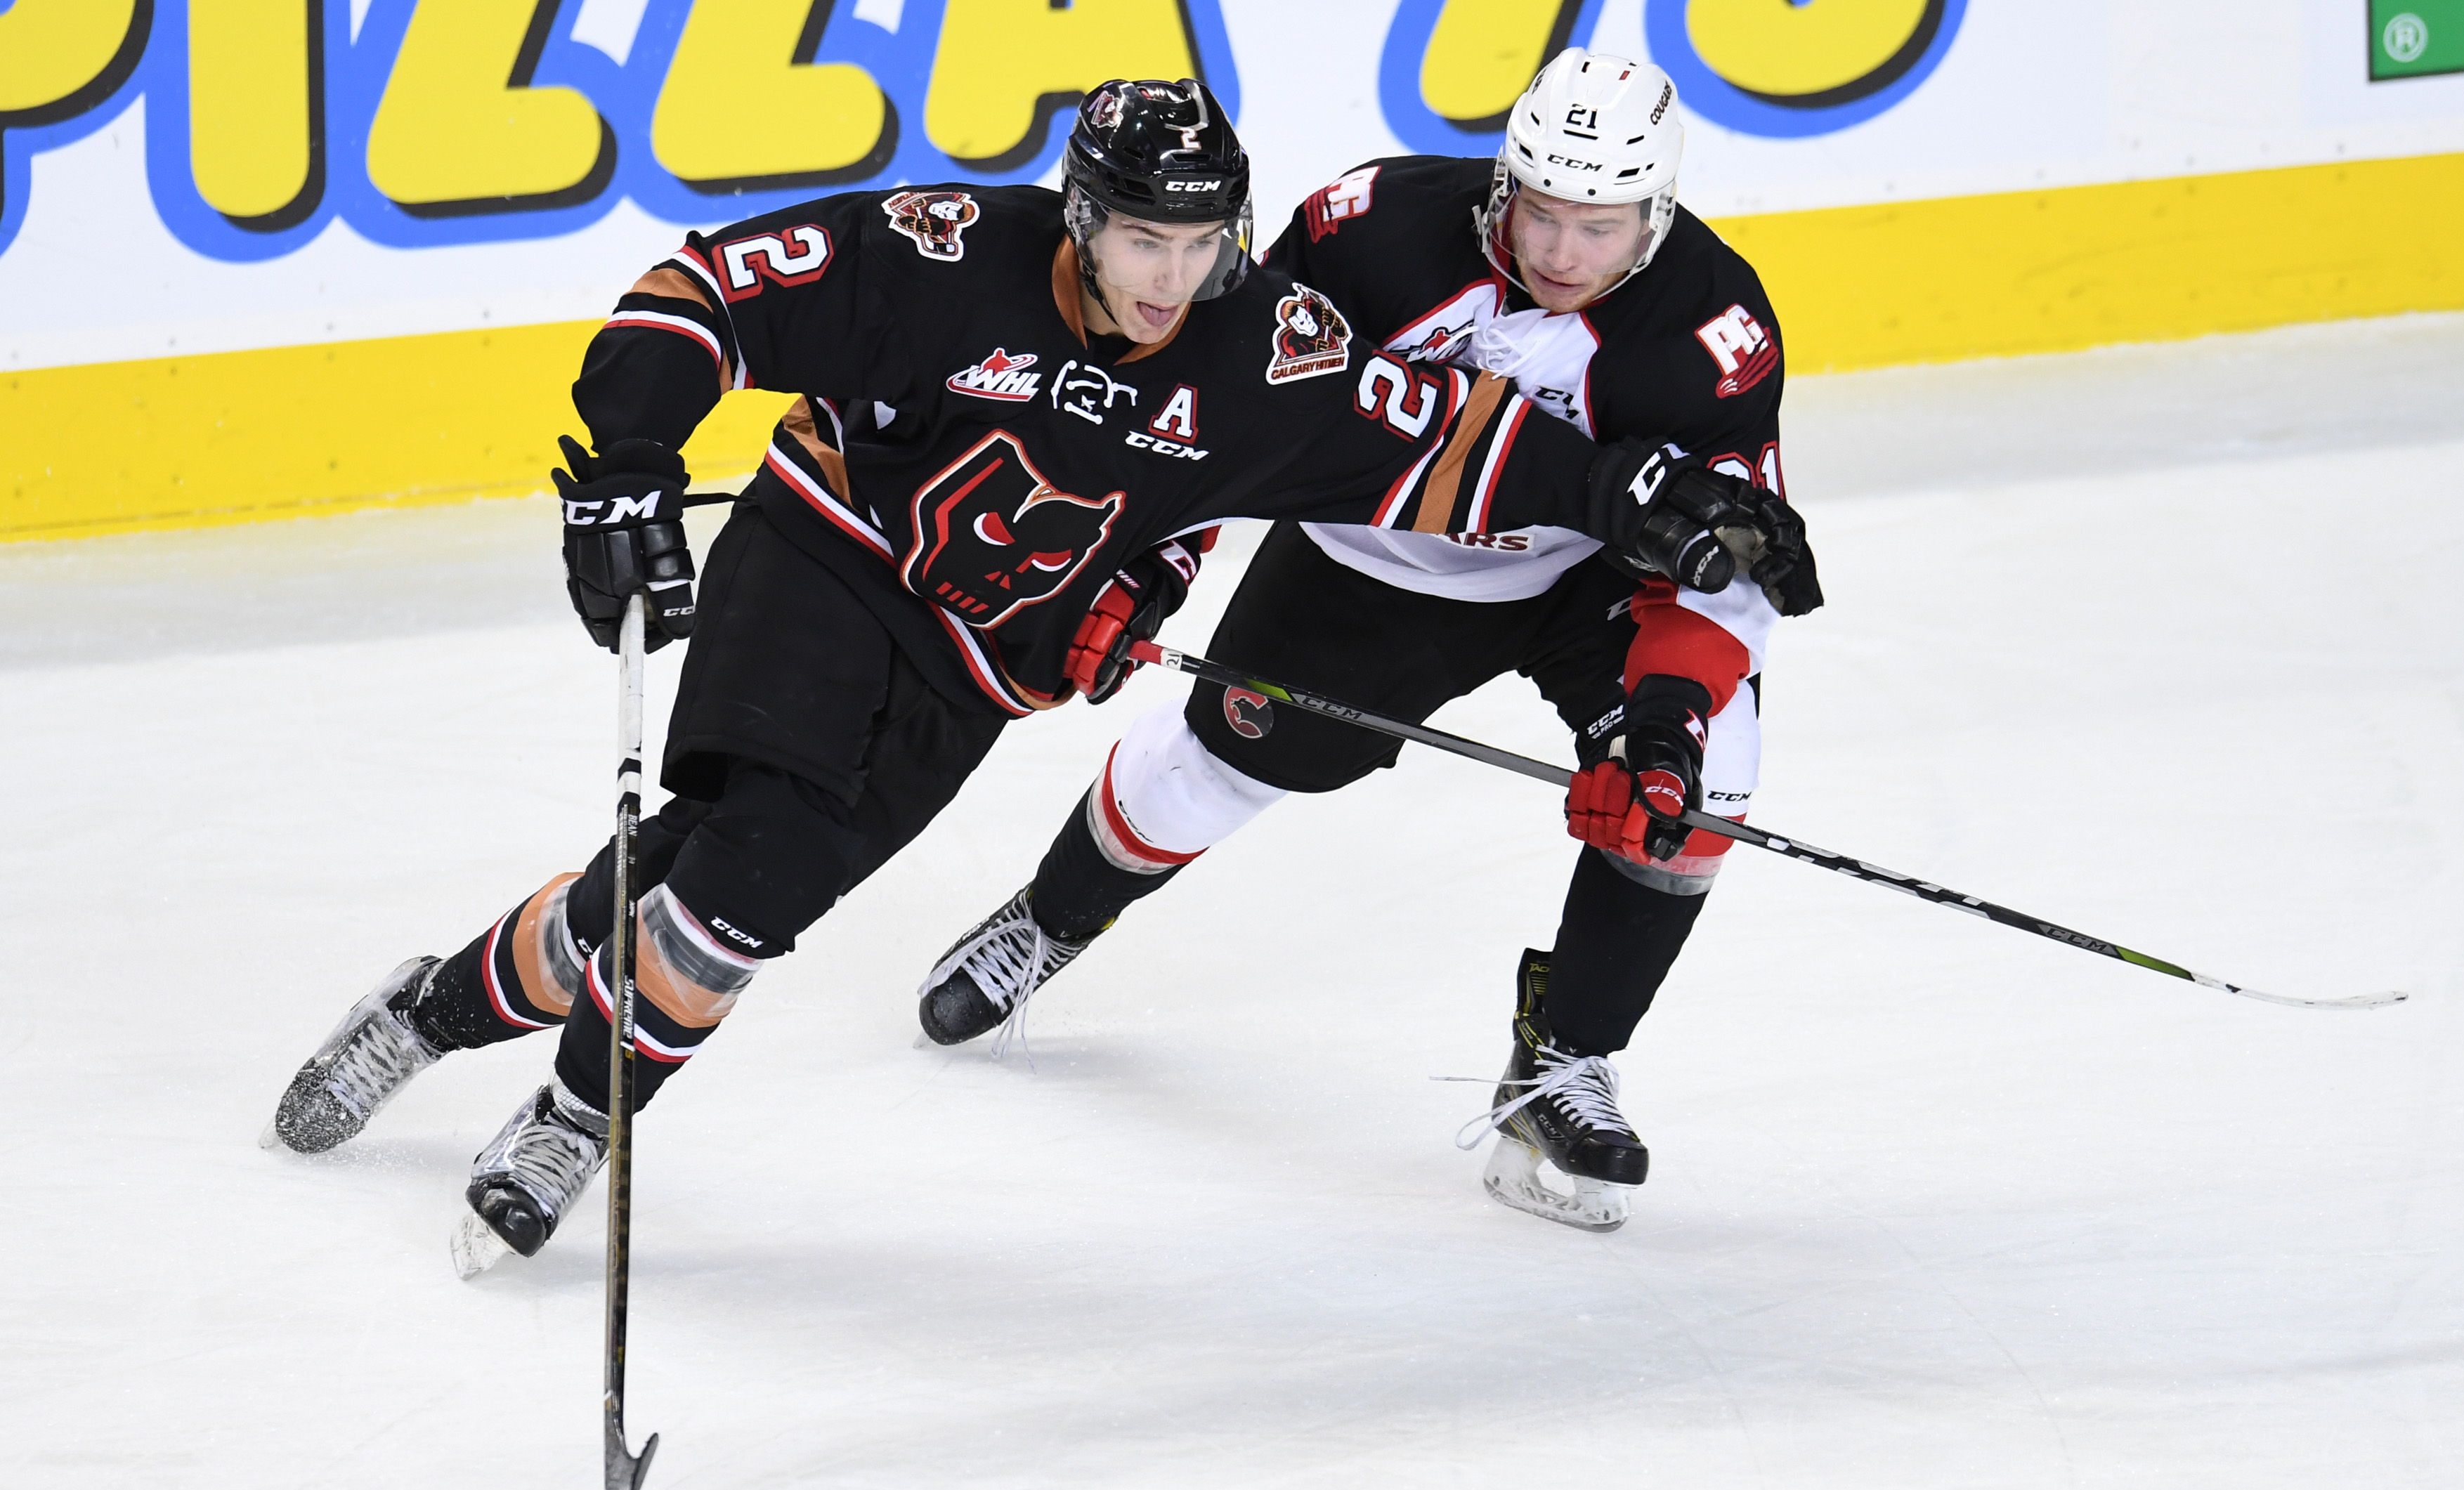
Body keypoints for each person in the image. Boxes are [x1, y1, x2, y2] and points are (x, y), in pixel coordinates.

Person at [266, 77, 1804, 1272]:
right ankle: (572, 1122)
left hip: (975, 672)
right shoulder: (948, 255)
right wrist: (620, 466)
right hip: (824, 559)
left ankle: (433, 1008)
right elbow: (704, 296)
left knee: (687, 878)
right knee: (746, 882)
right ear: (1082, 217)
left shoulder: (1262, 348)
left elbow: (1451, 441)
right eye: (1147, 239)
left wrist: (1645, 507)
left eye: (1205, 244)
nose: (1174, 276)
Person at [914, 51, 1823, 1234]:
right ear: (1504, 180)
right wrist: (1150, 563)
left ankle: (1568, 1060)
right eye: (1540, 211)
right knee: (1208, 773)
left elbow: (1729, 563)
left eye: (1597, 227)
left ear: (1654, 212)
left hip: (1584, 581)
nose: (1559, 252)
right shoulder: (1371, 231)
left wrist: (1663, 719)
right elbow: (1214, 414)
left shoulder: (1715, 327)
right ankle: (1055, 916)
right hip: (1368, 565)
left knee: (1699, 784)